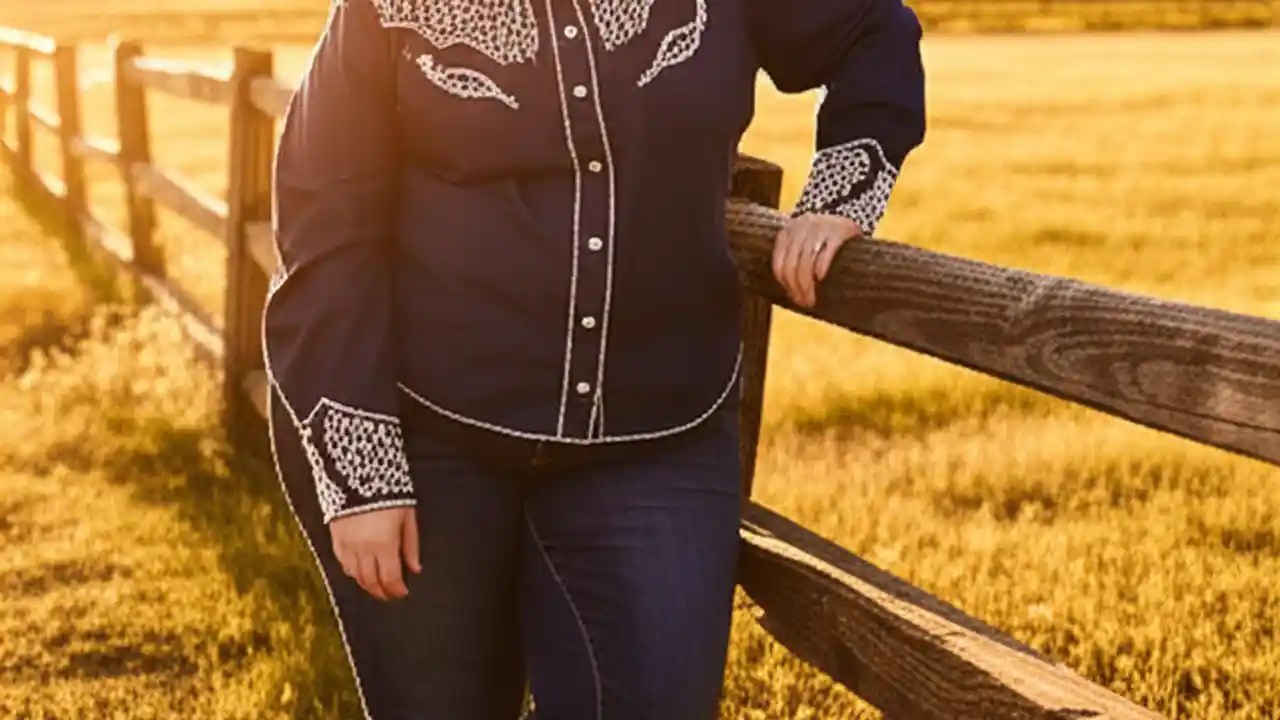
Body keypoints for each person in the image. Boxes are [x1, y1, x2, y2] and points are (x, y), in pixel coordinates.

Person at [263, 0, 925, 716]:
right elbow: (322, 224)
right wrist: (364, 477)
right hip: (426, 437)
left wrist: (840, 197)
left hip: (654, 434)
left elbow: (871, 30)